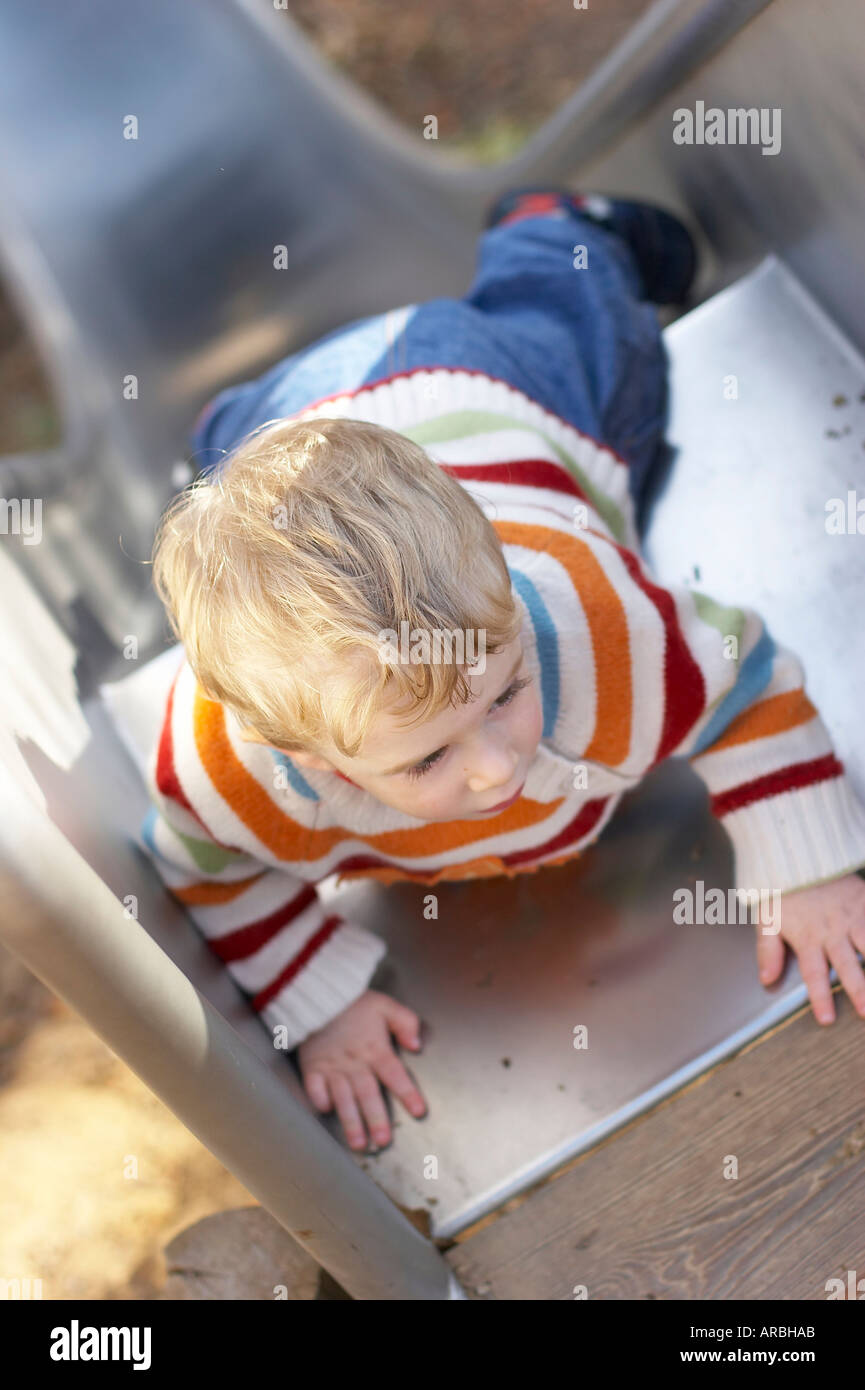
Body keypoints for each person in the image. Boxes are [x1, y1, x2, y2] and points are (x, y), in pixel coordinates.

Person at [141, 189, 865, 1154]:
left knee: (599, 344)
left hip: (481, 381)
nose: (495, 766)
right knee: (245, 475)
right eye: (429, 759)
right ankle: (239, 424)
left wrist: (805, 865)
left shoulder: (589, 621)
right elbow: (208, 873)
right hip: (301, 424)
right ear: (303, 754)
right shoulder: (228, 777)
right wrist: (315, 998)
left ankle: (550, 227)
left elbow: (747, 679)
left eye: (510, 693)